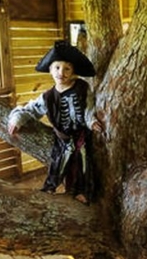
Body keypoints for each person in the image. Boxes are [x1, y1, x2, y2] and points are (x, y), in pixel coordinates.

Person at [8, 40, 102, 205]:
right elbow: (30, 109)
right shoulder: (48, 97)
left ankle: (83, 191)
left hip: (81, 133)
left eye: (67, 68)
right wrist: (17, 119)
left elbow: (89, 107)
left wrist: (91, 121)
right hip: (62, 136)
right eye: (57, 67)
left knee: (83, 158)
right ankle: (50, 187)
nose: (61, 72)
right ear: (50, 70)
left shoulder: (82, 87)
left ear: (73, 71)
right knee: (59, 160)